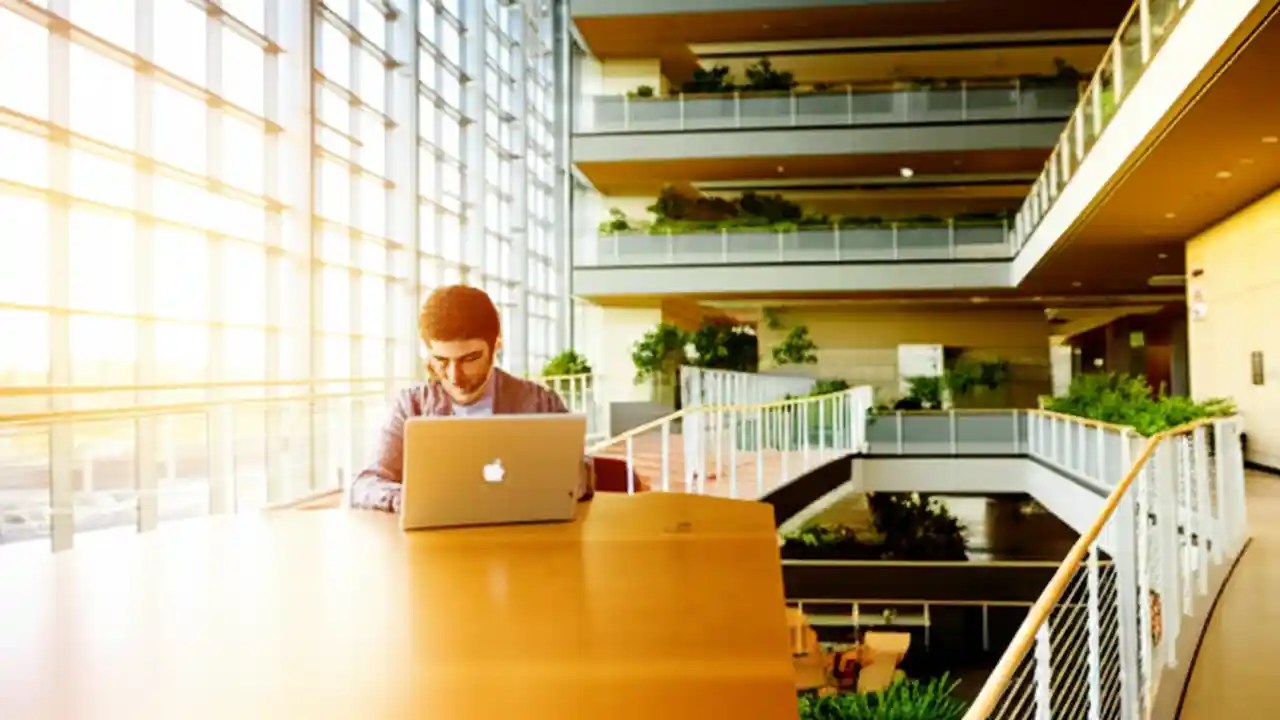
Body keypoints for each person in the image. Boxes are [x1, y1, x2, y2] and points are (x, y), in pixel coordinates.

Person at [349, 284, 594, 512]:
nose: (454, 376)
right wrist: (409, 499)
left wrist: (571, 479)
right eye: (441, 361)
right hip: (436, 549)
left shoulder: (540, 403)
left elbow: (582, 472)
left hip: (520, 543)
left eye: (469, 359)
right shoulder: (411, 406)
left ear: (496, 345)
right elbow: (366, 483)